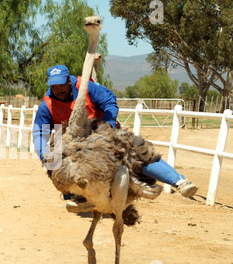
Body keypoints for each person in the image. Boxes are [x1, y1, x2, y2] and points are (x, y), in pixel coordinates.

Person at [32, 64, 198, 211]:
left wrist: (108, 125)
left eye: (61, 85)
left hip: (99, 128)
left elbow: (109, 100)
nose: (58, 89)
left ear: (69, 81)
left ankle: (179, 182)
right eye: (54, 86)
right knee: (57, 164)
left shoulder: (85, 87)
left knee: (135, 152)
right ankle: (79, 196)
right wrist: (44, 155)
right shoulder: (47, 105)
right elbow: (40, 132)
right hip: (70, 138)